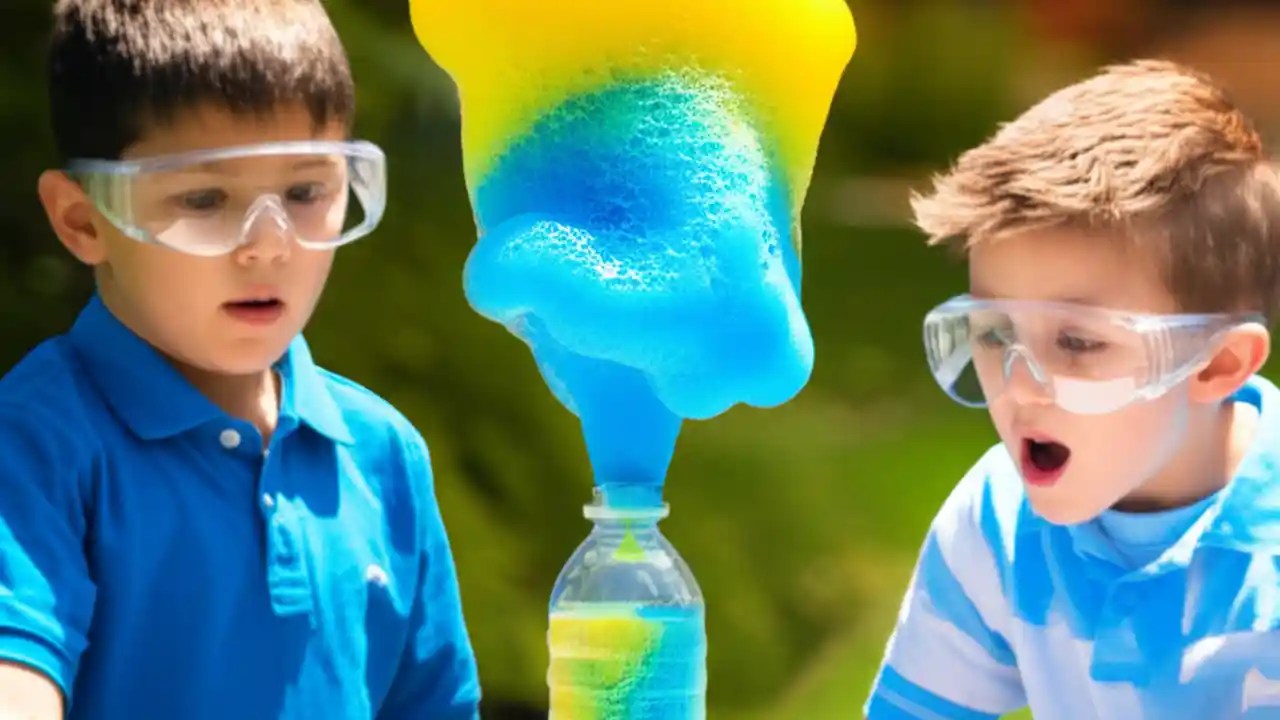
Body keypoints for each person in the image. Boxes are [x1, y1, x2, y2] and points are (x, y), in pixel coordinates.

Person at [0, 1, 481, 717]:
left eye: (305, 191)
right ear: (83, 220)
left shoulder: (384, 454)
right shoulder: (33, 442)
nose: (268, 244)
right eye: (204, 197)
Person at [865, 59, 1280, 719]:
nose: (1020, 387)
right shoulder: (997, 521)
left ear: (1216, 363)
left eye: (1080, 342)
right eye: (994, 334)